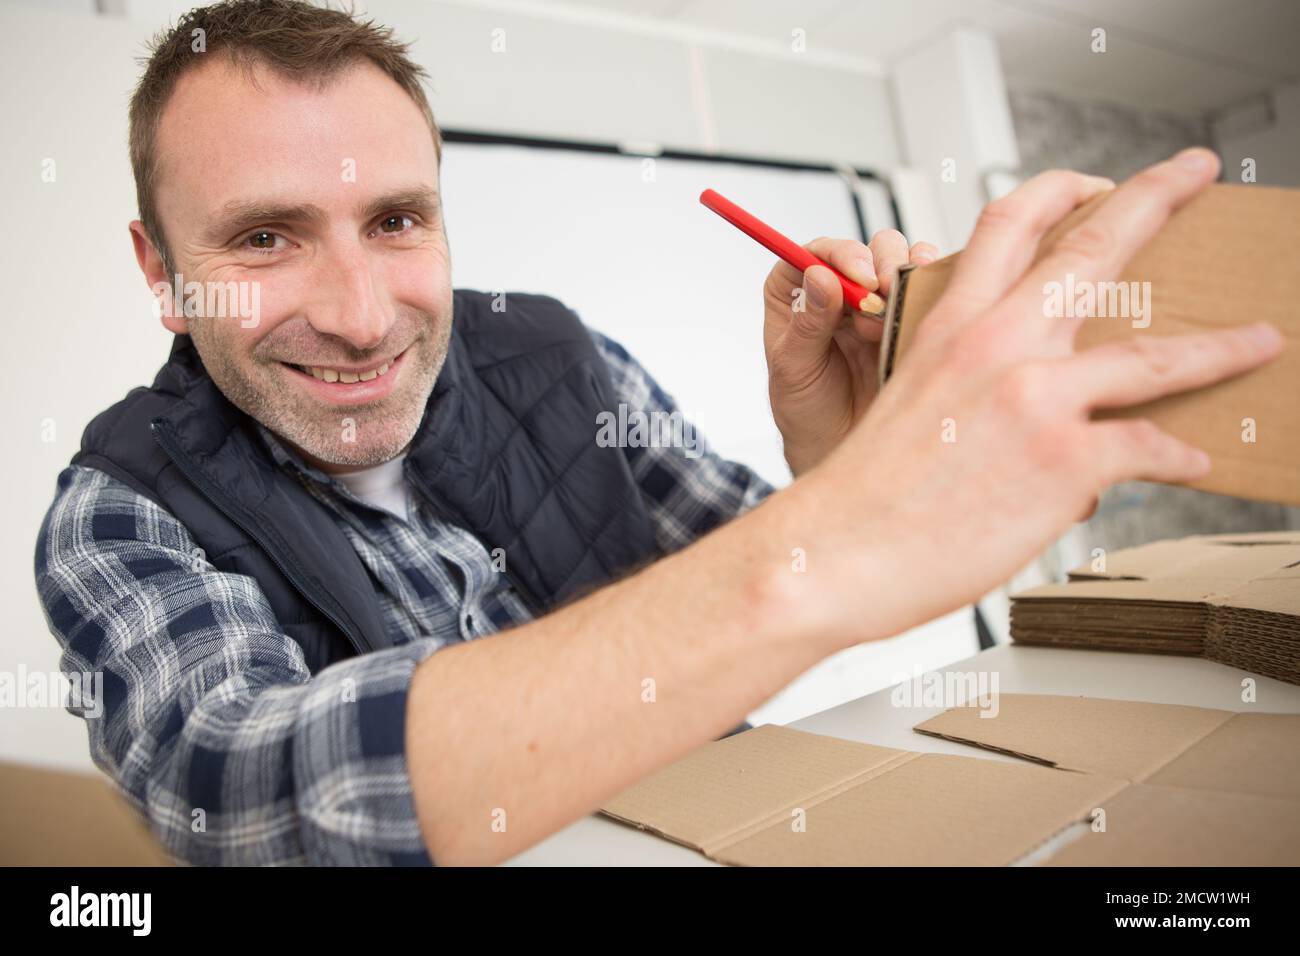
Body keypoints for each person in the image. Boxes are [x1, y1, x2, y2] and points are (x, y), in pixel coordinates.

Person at [34, 0, 1282, 866]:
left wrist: (840, 455)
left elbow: (764, 577)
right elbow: (256, 803)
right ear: (160, 271)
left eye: (399, 220)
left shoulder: (556, 353)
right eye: (264, 237)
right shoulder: (118, 508)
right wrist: (851, 524)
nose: (363, 318)